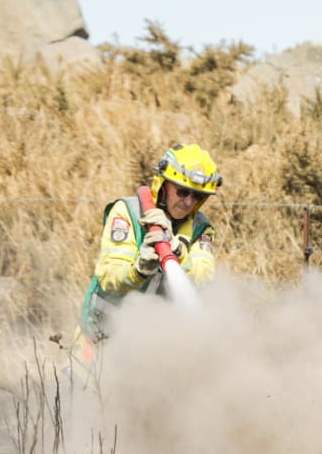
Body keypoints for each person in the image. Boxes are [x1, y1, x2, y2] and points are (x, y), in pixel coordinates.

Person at [76, 143, 221, 358]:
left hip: (154, 346)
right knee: (83, 390)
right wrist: (140, 269)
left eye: (197, 196)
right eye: (182, 191)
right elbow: (109, 276)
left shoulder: (201, 229)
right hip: (101, 338)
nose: (188, 201)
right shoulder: (128, 213)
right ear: (164, 184)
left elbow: (204, 278)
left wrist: (180, 257)